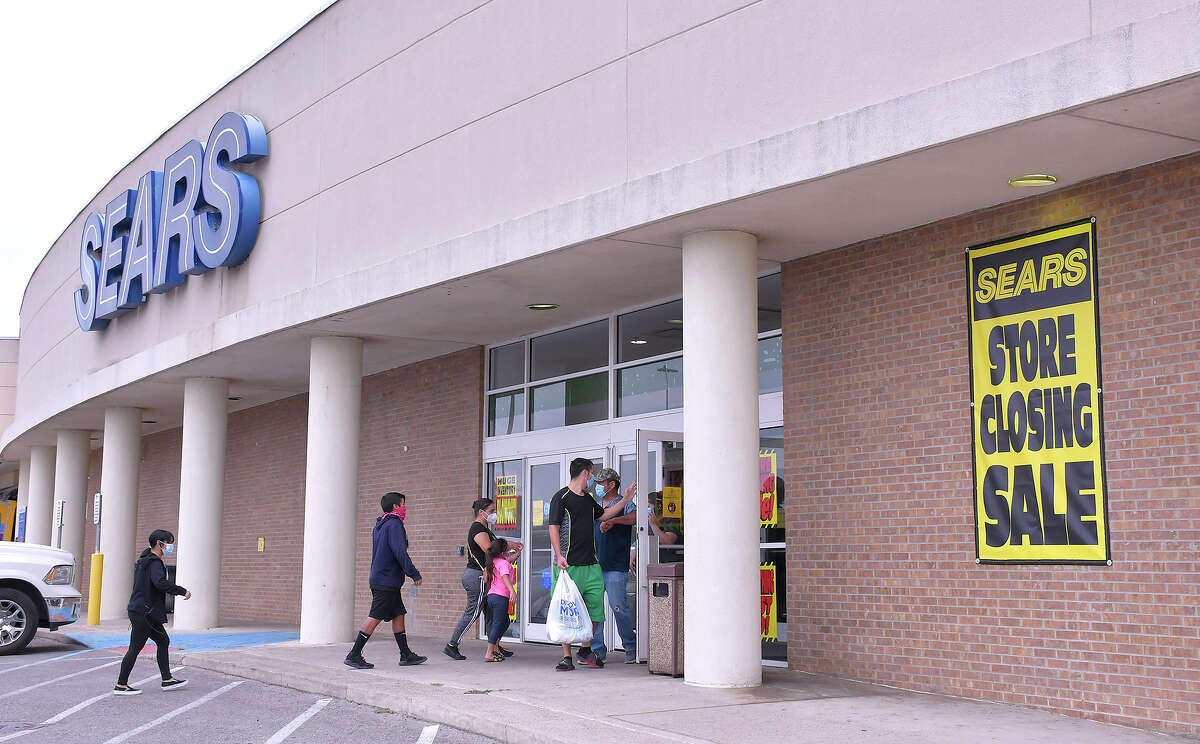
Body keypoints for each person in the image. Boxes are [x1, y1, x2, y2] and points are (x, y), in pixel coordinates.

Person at [548, 458, 635, 671]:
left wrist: (624, 500)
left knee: (595, 611)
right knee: (567, 610)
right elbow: (553, 527)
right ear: (586, 472)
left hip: (592, 565)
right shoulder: (561, 497)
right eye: (592, 474)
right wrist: (559, 555)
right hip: (569, 565)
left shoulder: (587, 499)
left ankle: (586, 649)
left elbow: (604, 515)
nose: (593, 480)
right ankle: (567, 657)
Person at [344, 492, 426, 669]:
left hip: (383, 578)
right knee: (375, 616)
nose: (405, 508)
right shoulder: (394, 524)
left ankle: (406, 655)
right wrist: (413, 573)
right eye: (403, 504)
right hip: (386, 580)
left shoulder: (381, 524)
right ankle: (354, 655)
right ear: (396, 506)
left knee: (398, 614)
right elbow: (399, 551)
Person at [113, 529, 191, 695]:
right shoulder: (154, 562)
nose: (171, 546)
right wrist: (182, 591)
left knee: (163, 642)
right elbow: (160, 583)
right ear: (159, 543)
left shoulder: (144, 560)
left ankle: (167, 680)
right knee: (135, 648)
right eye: (168, 542)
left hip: (144, 611)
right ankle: (121, 685)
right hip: (144, 613)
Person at [444, 498, 522, 661]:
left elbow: (496, 555)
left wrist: (510, 555)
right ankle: (452, 645)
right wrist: (510, 544)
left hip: (487, 576)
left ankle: (495, 647)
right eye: (492, 511)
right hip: (477, 575)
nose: (494, 514)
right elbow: (490, 549)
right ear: (482, 512)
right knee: (473, 612)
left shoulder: (486, 529)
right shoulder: (477, 529)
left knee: (494, 614)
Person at [587, 468, 638, 665]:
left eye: (601, 483)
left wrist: (614, 521)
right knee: (595, 608)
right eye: (597, 483)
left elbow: (634, 518)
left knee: (618, 607)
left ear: (612, 484)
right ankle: (597, 651)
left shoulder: (624, 504)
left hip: (616, 564)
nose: (598, 487)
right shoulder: (596, 505)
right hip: (594, 564)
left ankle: (630, 647)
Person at [482, 538, 515, 662]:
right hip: (501, 597)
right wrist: (512, 590)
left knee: (505, 621)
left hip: (491, 596)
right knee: (497, 623)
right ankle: (489, 653)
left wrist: (515, 555)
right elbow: (505, 576)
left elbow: (486, 579)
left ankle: (495, 647)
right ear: (503, 551)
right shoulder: (504, 564)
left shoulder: (493, 562)